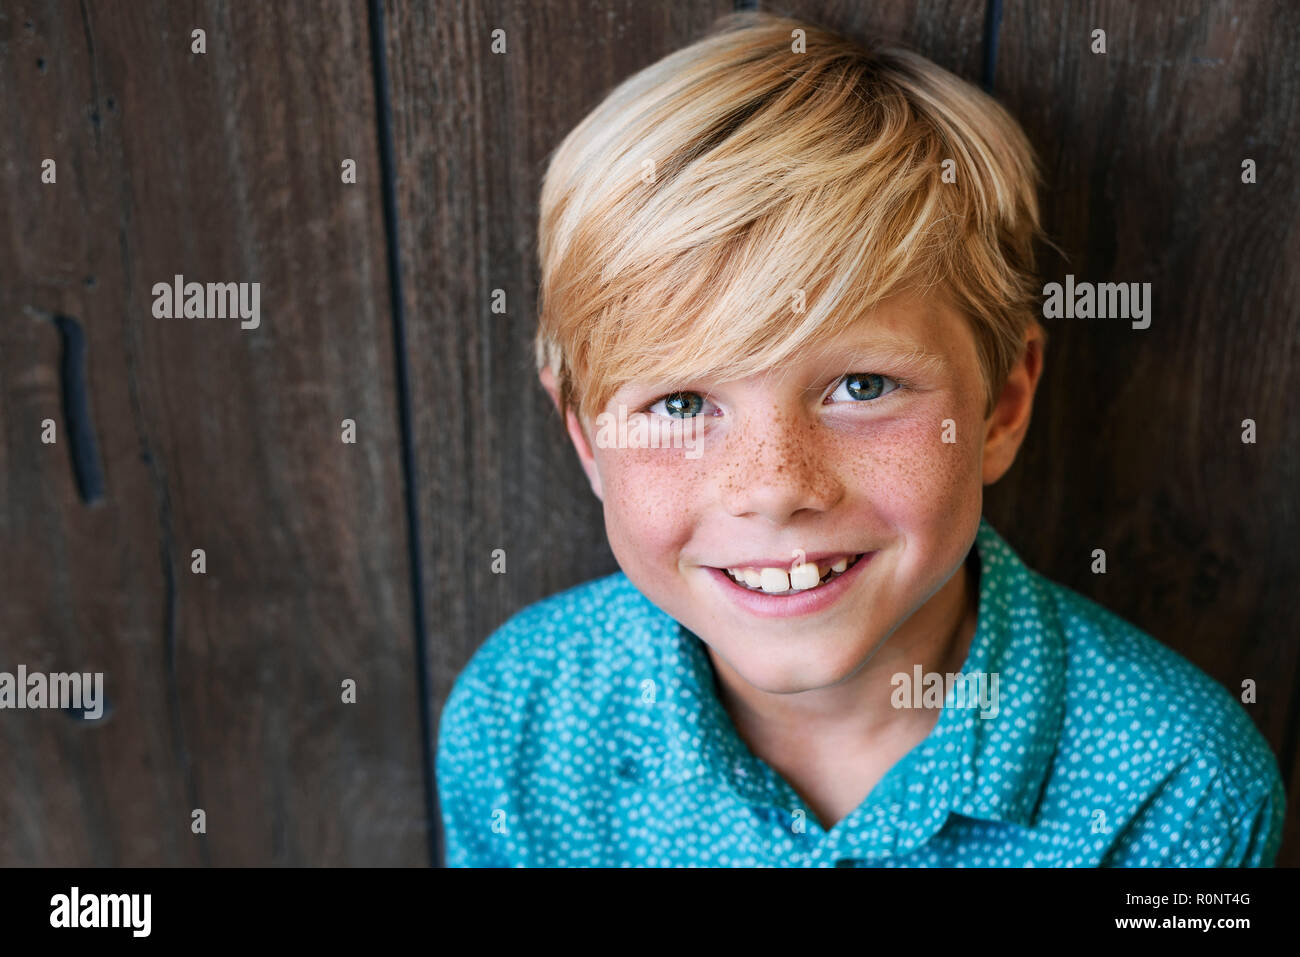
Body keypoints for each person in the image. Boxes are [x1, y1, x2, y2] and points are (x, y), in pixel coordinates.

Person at [436, 11, 1285, 867]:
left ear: (1003, 404)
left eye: (863, 386)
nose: (773, 484)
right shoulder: (520, 723)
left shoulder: (1178, 792)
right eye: (684, 402)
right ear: (588, 440)